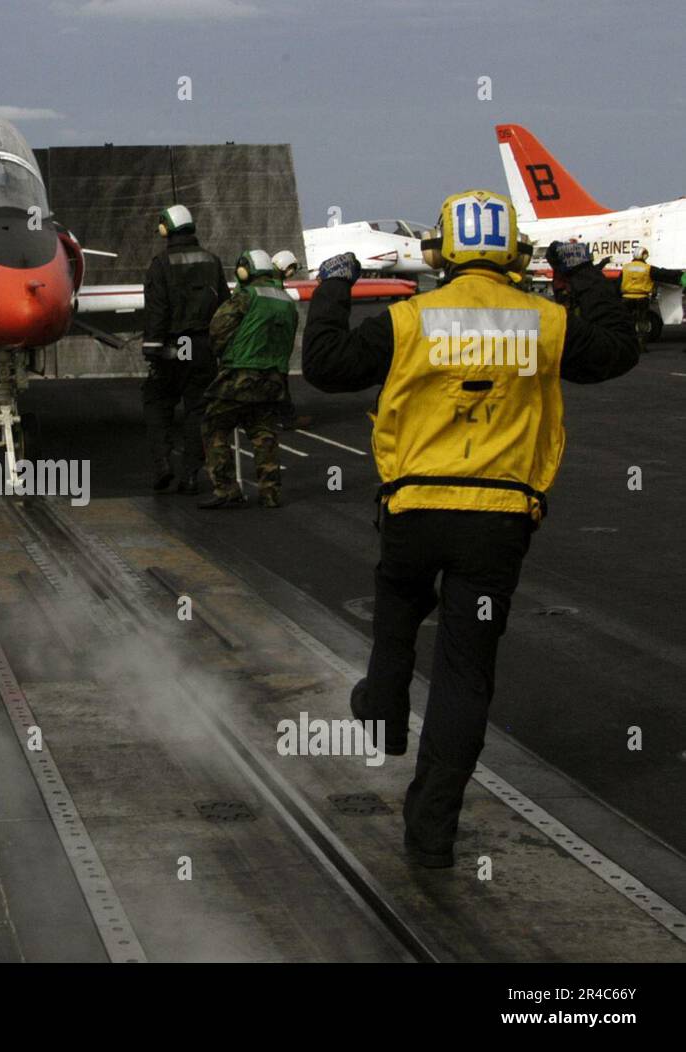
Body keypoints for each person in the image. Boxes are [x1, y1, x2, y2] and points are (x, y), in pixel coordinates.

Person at [303, 189, 638, 868]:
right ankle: (430, 835)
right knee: (465, 675)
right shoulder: (541, 322)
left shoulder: (407, 319)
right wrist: (580, 274)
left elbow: (327, 368)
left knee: (396, 608)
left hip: (414, 509)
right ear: (513, 250)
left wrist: (335, 288)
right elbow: (615, 352)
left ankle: (382, 710)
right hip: (498, 520)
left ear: (441, 252)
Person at [199, 249, 299, 509]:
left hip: (240, 375)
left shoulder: (246, 296)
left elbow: (218, 328)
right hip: (274, 379)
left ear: (245, 271)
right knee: (263, 432)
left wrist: (225, 352)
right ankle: (270, 492)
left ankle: (226, 488)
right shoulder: (287, 300)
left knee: (214, 425)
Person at [141, 205, 230, 494]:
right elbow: (224, 308)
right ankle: (191, 474)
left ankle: (162, 464)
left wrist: (152, 347)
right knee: (197, 410)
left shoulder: (161, 264)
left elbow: (157, 309)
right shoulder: (212, 261)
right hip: (202, 347)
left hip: (173, 346)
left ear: (166, 228)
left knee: (157, 403)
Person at [270, 249, 310, 430]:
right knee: (278, 382)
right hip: (274, 347)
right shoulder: (277, 293)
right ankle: (287, 418)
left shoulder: (261, 287)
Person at [620, 248, 655, 349]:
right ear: (644, 256)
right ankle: (641, 345)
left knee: (626, 321)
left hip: (626, 298)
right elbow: (663, 274)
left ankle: (626, 343)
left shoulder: (625, 267)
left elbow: (618, 282)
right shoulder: (648, 268)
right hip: (642, 297)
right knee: (642, 321)